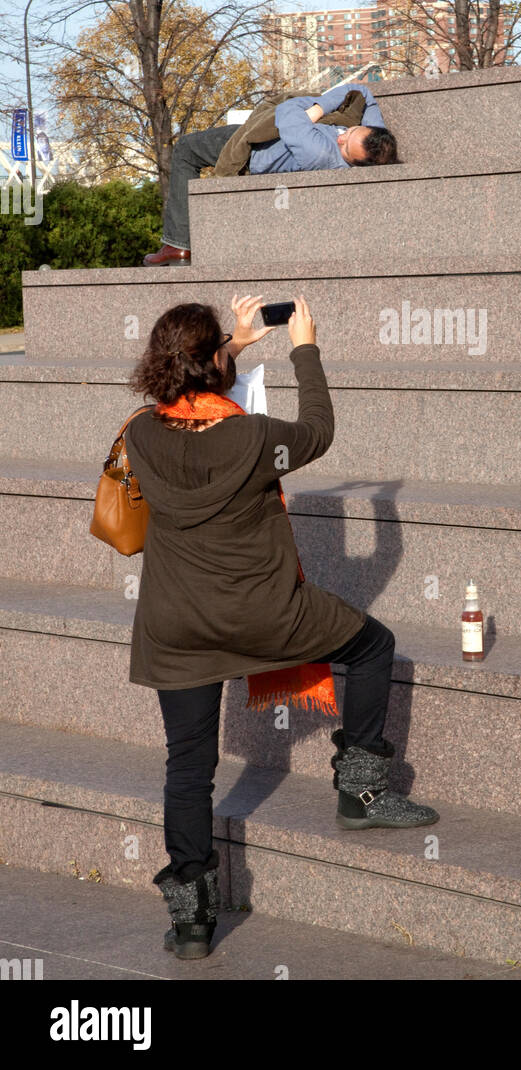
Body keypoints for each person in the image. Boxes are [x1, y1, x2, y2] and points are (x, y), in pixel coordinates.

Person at [124, 293, 438, 959]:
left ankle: (191, 920)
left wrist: (232, 345)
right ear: (212, 364)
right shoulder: (256, 439)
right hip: (269, 615)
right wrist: (303, 346)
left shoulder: (141, 434)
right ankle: (362, 792)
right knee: (375, 644)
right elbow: (318, 430)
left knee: (189, 765)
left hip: (176, 625)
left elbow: (185, 390)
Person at [143, 79, 399, 265]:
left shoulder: (320, 153)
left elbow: (285, 113)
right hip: (273, 138)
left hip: (255, 150)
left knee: (186, 149)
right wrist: (321, 114)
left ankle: (177, 244)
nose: (342, 137)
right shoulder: (374, 148)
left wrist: (317, 109)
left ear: (356, 165)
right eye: (350, 131)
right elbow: (362, 91)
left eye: (345, 146)